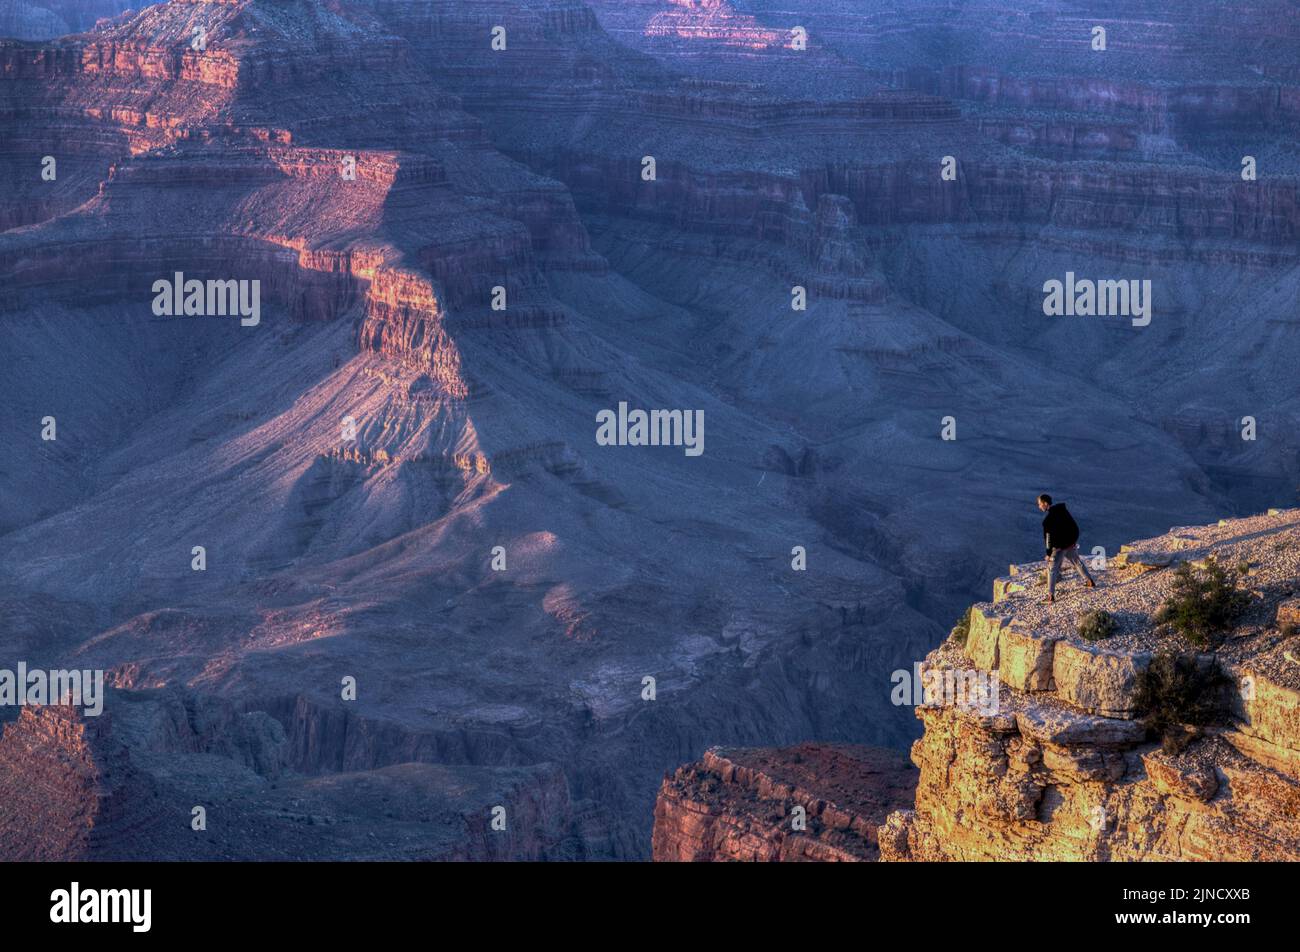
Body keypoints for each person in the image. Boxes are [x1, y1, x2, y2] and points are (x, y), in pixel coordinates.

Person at [1037, 494, 1095, 603]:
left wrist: (1049, 554)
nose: (1039, 507)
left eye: (1040, 504)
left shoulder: (1048, 520)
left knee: (1051, 569)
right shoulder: (1063, 511)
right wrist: (1072, 541)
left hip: (1059, 548)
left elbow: (1048, 539)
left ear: (1045, 503)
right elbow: (1074, 527)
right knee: (1076, 561)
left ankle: (1050, 596)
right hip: (1070, 544)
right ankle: (1089, 581)